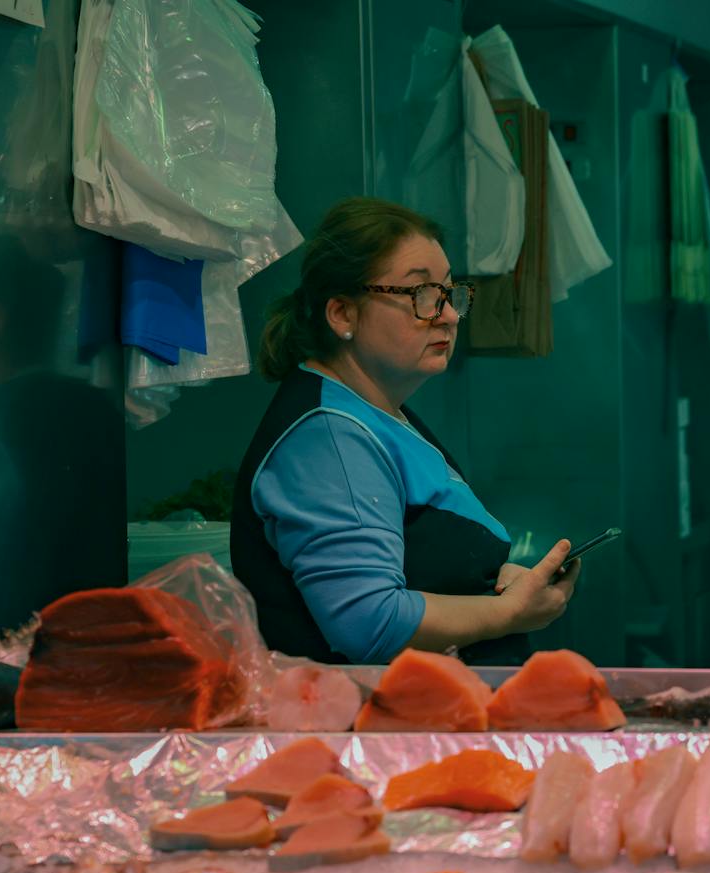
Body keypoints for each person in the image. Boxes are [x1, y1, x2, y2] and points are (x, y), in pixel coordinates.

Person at [232, 197, 577, 665]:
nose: (449, 316)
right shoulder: (328, 439)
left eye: (450, 294)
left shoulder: (379, 411)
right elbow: (370, 623)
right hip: (370, 729)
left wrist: (497, 581)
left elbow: (423, 565)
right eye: (422, 295)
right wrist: (511, 612)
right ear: (342, 314)